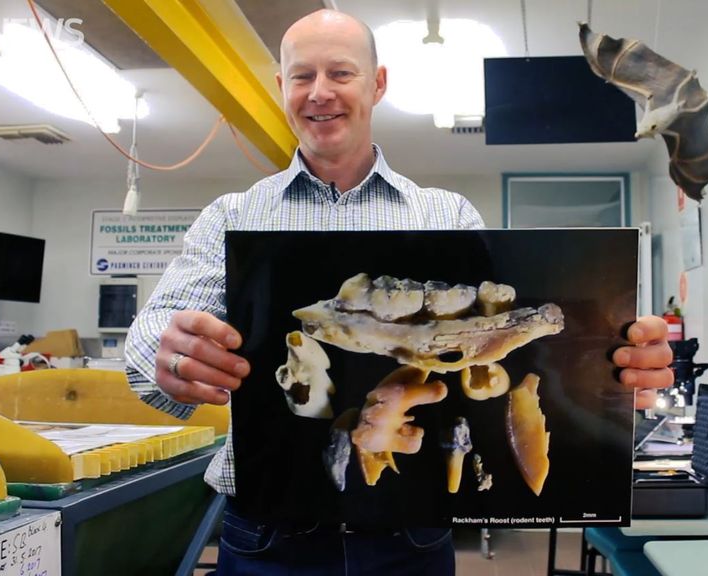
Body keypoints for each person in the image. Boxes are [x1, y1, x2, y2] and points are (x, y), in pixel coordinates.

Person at [125, 9, 673, 575]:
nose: (320, 92)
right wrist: (170, 354)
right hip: (269, 534)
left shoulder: (447, 215)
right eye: (302, 76)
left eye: (341, 73)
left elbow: (509, 357)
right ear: (282, 87)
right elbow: (151, 341)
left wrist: (609, 368)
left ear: (377, 83)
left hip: (410, 535)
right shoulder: (232, 217)